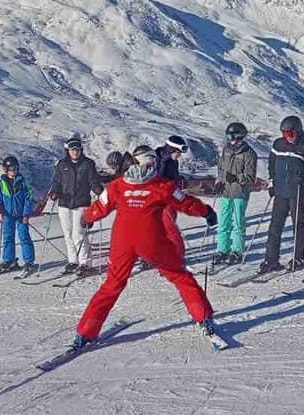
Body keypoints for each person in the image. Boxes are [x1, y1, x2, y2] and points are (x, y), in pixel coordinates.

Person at [72, 145, 220, 350]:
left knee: (112, 284)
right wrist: (207, 212)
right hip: (152, 241)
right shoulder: (162, 185)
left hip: (122, 241)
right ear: (151, 162)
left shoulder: (118, 185)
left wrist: (87, 219)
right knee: (180, 276)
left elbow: (100, 206)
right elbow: (186, 203)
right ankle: (204, 318)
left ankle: (85, 333)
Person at [259, 116, 304, 274]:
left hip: (297, 191)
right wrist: (272, 182)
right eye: (285, 133)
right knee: (275, 226)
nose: (288, 137)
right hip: (280, 191)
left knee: (298, 224)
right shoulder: (278, 145)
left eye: (291, 133)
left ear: (297, 131)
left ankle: (301, 257)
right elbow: (272, 164)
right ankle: (271, 260)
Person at [48, 137, 104, 275]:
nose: (75, 152)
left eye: (77, 149)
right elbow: (57, 182)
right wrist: (54, 192)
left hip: (81, 203)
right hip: (64, 204)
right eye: (72, 149)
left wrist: (97, 189)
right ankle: (73, 261)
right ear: (68, 150)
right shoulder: (62, 164)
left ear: (81, 150)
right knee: (67, 234)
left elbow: (93, 180)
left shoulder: (88, 164)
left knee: (79, 234)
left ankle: (85, 262)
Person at [212, 122, 258, 265]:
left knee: (238, 222)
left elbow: (250, 177)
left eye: (232, 136)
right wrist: (219, 182)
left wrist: (238, 178)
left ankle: (237, 250)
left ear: (240, 136)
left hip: (240, 192)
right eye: (228, 136)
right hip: (225, 191)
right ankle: (222, 249)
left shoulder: (249, 154)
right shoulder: (226, 150)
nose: (229, 139)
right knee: (223, 221)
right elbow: (221, 168)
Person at [0, 156, 37, 275]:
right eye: (11, 168)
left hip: (21, 215)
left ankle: (29, 261)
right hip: (8, 214)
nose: (14, 171)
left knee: (24, 236)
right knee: (8, 237)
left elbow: (28, 199)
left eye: (16, 168)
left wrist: (26, 214)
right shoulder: (0, 183)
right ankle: (9, 260)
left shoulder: (23, 182)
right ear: (6, 169)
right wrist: (0, 212)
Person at [156, 135, 190, 262]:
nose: (179, 155)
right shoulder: (158, 160)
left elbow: (172, 177)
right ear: (171, 150)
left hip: (168, 201)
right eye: (178, 152)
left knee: (170, 229)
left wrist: (179, 181)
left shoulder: (172, 160)